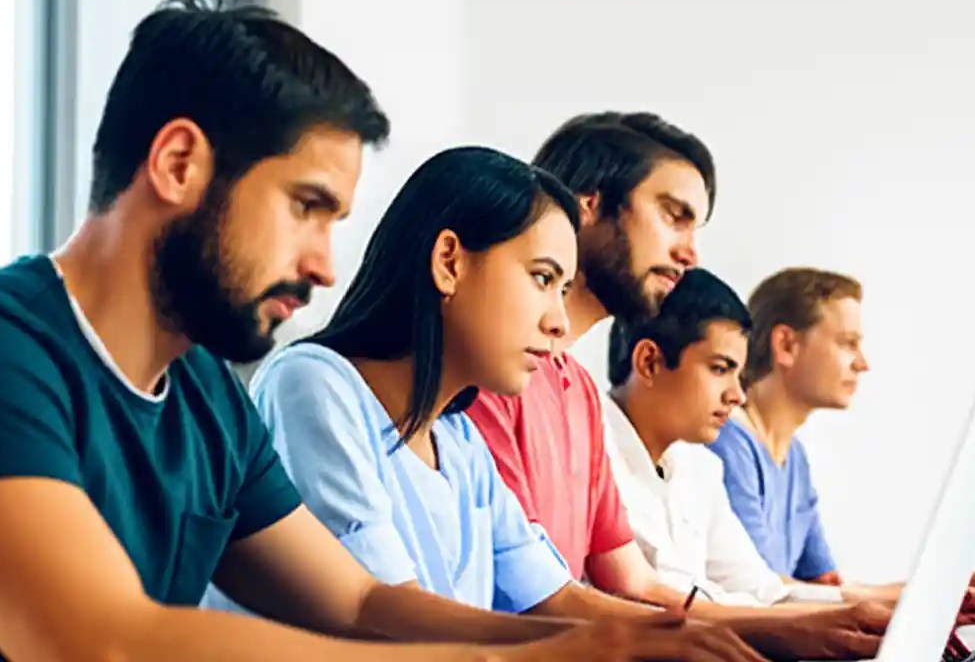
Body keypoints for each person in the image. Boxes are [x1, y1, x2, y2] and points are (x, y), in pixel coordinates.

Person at [0, 0, 741, 662]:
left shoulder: (202, 395)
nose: (324, 266)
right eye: (306, 208)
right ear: (178, 164)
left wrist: (609, 642)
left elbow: (357, 601)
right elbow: (105, 641)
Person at [202, 145, 762, 662]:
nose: (558, 321)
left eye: (563, 289)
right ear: (449, 261)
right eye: (542, 278)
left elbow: (555, 596)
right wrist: (602, 643)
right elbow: (378, 610)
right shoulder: (313, 386)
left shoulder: (460, 440)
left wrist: (755, 633)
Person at [465, 112, 893, 661]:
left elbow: (636, 585)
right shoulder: (492, 382)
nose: (692, 254)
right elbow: (538, 599)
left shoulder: (579, 396)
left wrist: (818, 624)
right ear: (585, 204)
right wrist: (791, 628)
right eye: (674, 217)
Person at [605, 269, 975, 660]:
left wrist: (906, 606)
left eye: (737, 373)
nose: (737, 395)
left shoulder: (700, 467)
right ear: (651, 363)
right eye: (720, 369)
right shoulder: (603, 450)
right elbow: (663, 603)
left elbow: (765, 590)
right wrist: (866, 615)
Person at [706, 267, 975, 626]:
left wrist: (938, 591)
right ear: (786, 345)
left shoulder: (794, 457)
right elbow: (764, 592)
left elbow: (823, 584)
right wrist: (921, 597)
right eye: (847, 343)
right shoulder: (726, 447)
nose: (863, 362)